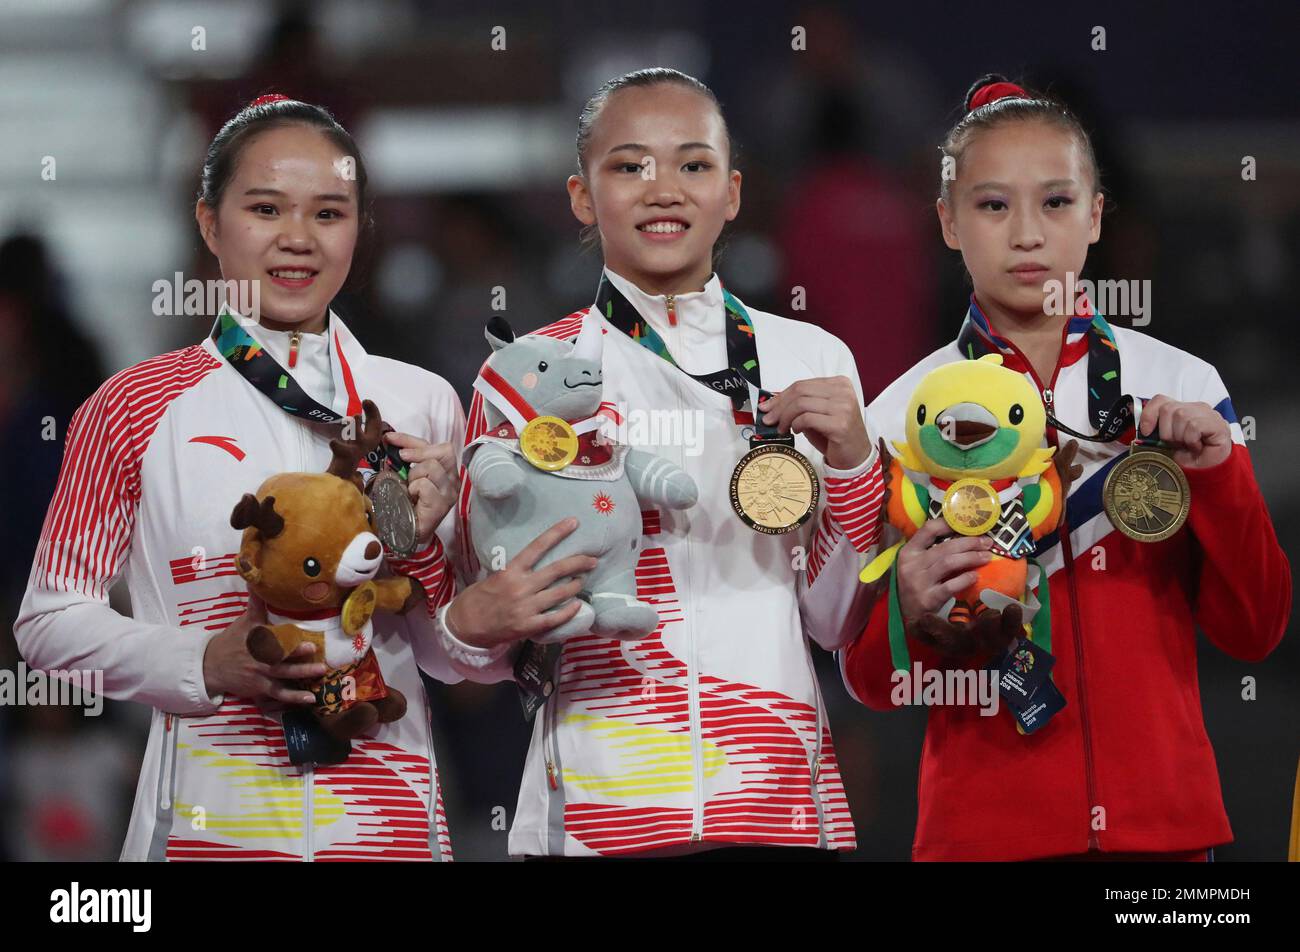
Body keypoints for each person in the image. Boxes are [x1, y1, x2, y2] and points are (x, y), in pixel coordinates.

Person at [423, 68, 887, 859]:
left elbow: (838, 620)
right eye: (630, 165)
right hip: (597, 806)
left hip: (771, 803)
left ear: (733, 192)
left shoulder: (810, 357)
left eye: (694, 165)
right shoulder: (528, 376)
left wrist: (851, 464)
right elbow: (476, 637)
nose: (663, 188)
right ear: (580, 195)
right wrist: (473, 624)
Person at [839, 75, 1291, 861]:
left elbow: (1256, 631)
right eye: (991, 205)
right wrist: (908, 610)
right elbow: (871, 683)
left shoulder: (1183, 387)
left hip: (1167, 836)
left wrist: (1219, 481)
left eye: (1054, 202)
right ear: (947, 221)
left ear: (1096, 215)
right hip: (980, 837)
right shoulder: (897, 417)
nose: (1026, 234)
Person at [15, 95, 467, 861]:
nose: (297, 239)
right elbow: (48, 622)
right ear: (209, 223)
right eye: (265, 208)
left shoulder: (421, 401)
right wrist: (199, 662)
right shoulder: (131, 407)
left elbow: (458, 658)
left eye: (329, 213)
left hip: (387, 823)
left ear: (359, 228)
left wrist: (419, 548)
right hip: (204, 824)